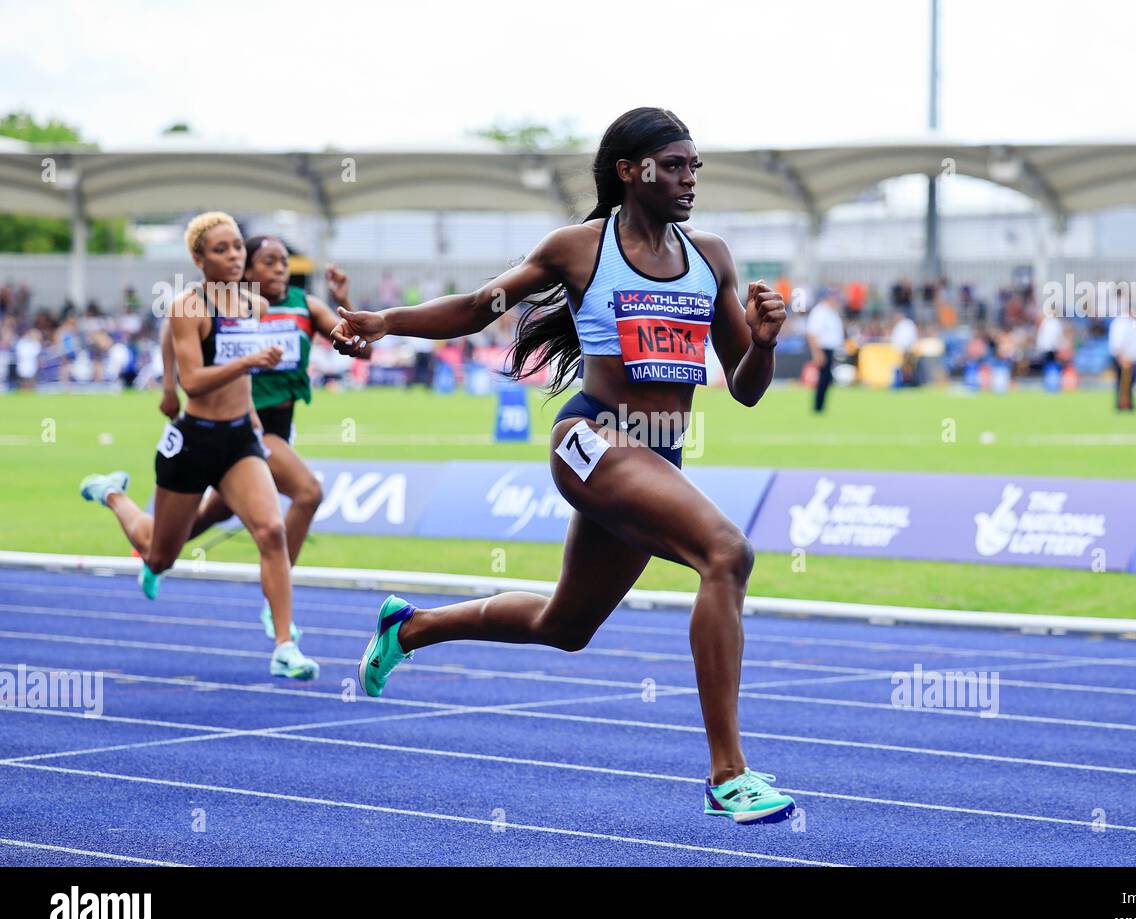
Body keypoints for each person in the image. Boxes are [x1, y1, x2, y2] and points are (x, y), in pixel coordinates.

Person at [331, 108, 795, 824]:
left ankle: (411, 627)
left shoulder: (713, 257)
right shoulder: (578, 249)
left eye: (695, 166)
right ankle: (727, 774)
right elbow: (476, 308)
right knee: (726, 553)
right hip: (593, 441)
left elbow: (746, 388)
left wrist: (762, 344)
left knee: (566, 624)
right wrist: (386, 322)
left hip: (658, 454)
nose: (689, 179)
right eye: (674, 165)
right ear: (629, 171)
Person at [79, 212, 319, 680]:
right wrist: (172, 385)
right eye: (221, 250)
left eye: (236, 248)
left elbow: (243, 375)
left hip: (237, 441)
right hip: (193, 441)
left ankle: (284, 644)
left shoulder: (254, 306)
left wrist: (249, 413)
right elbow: (195, 379)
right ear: (198, 258)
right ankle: (112, 493)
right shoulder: (188, 307)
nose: (233, 257)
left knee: (271, 533)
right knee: (158, 554)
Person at [161, 235, 366, 640]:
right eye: (268, 261)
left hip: (275, 431)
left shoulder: (306, 306)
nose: (279, 268)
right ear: (248, 270)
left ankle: (155, 552)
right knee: (308, 492)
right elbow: (174, 331)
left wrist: (348, 308)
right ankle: (277, 603)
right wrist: (169, 386)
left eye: (284, 261)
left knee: (215, 513)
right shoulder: (233, 306)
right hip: (249, 426)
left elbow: (360, 349)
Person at [806, 289, 844, 412]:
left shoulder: (831, 312)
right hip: (823, 349)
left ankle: (821, 405)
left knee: (827, 378)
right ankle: (818, 406)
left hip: (830, 349)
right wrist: (817, 353)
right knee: (824, 378)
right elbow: (812, 334)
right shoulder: (820, 312)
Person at [1107, 299, 1136, 411]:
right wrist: (1121, 358)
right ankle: (1121, 404)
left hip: (1132, 359)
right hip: (1123, 359)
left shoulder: (1135, 323)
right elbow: (1117, 342)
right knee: (1122, 383)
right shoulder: (1120, 322)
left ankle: (1129, 403)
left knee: (1131, 383)